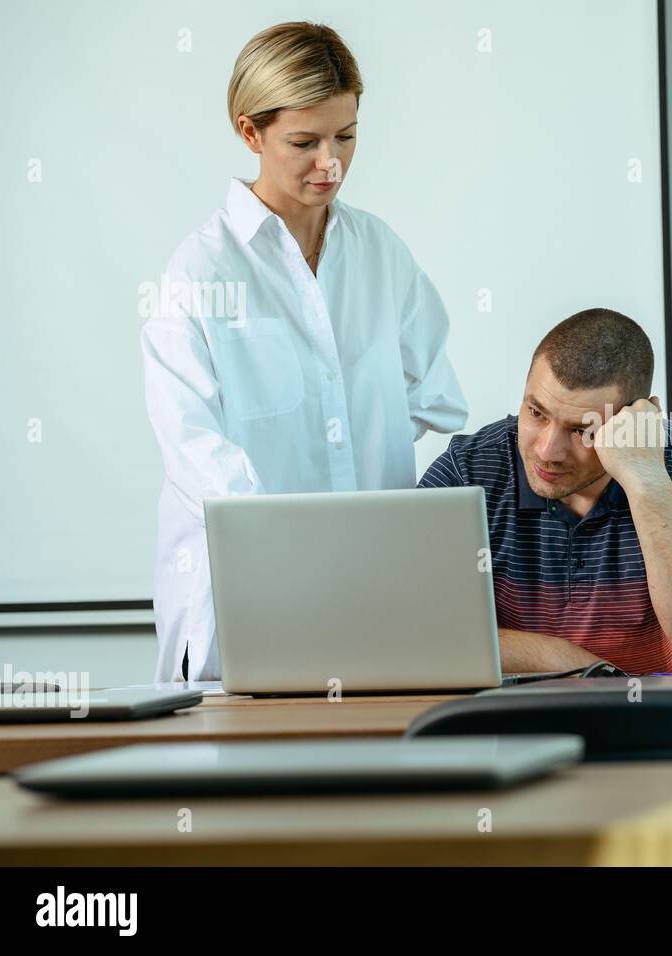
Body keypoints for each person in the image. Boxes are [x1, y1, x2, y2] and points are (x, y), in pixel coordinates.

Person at [141, 22, 467, 681]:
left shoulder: (379, 251)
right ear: (249, 131)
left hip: (369, 589)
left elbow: (433, 392)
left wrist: (347, 442)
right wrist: (301, 543)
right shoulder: (199, 272)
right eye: (305, 142)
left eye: (346, 136)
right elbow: (192, 447)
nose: (332, 163)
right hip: (241, 598)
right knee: (240, 776)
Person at [420, 308, 672, 674]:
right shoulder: (469, 469)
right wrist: (565, 661)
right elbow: (408, 627)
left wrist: (646, 478)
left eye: (582, 430)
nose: (547, 451)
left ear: (642, 418)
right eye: (536, 412)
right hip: (513, 726)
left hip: (663, 725)